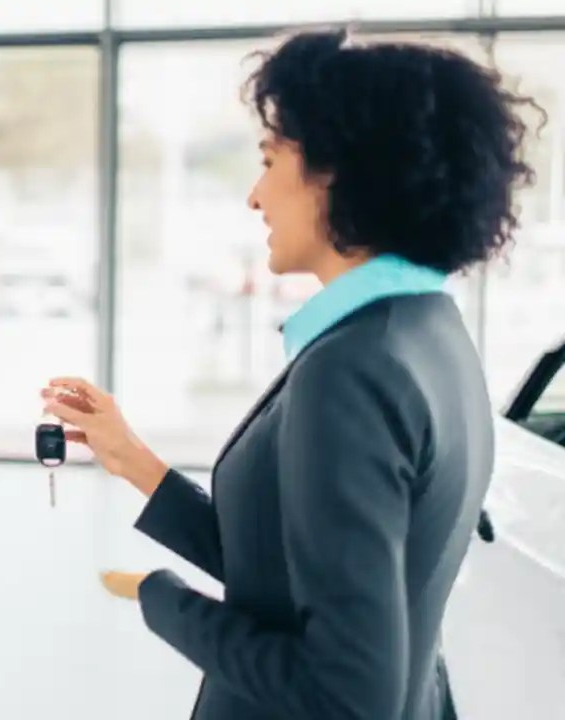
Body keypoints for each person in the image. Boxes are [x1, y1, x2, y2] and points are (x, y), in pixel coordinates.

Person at [42, 27, 542, 720]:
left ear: (339, 171)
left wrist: (160, 598)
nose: (254, 196)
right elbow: (288, 573)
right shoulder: (427, 330)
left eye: (271, 159)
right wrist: (135, 461)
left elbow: (345, 693)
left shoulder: (353, 371)